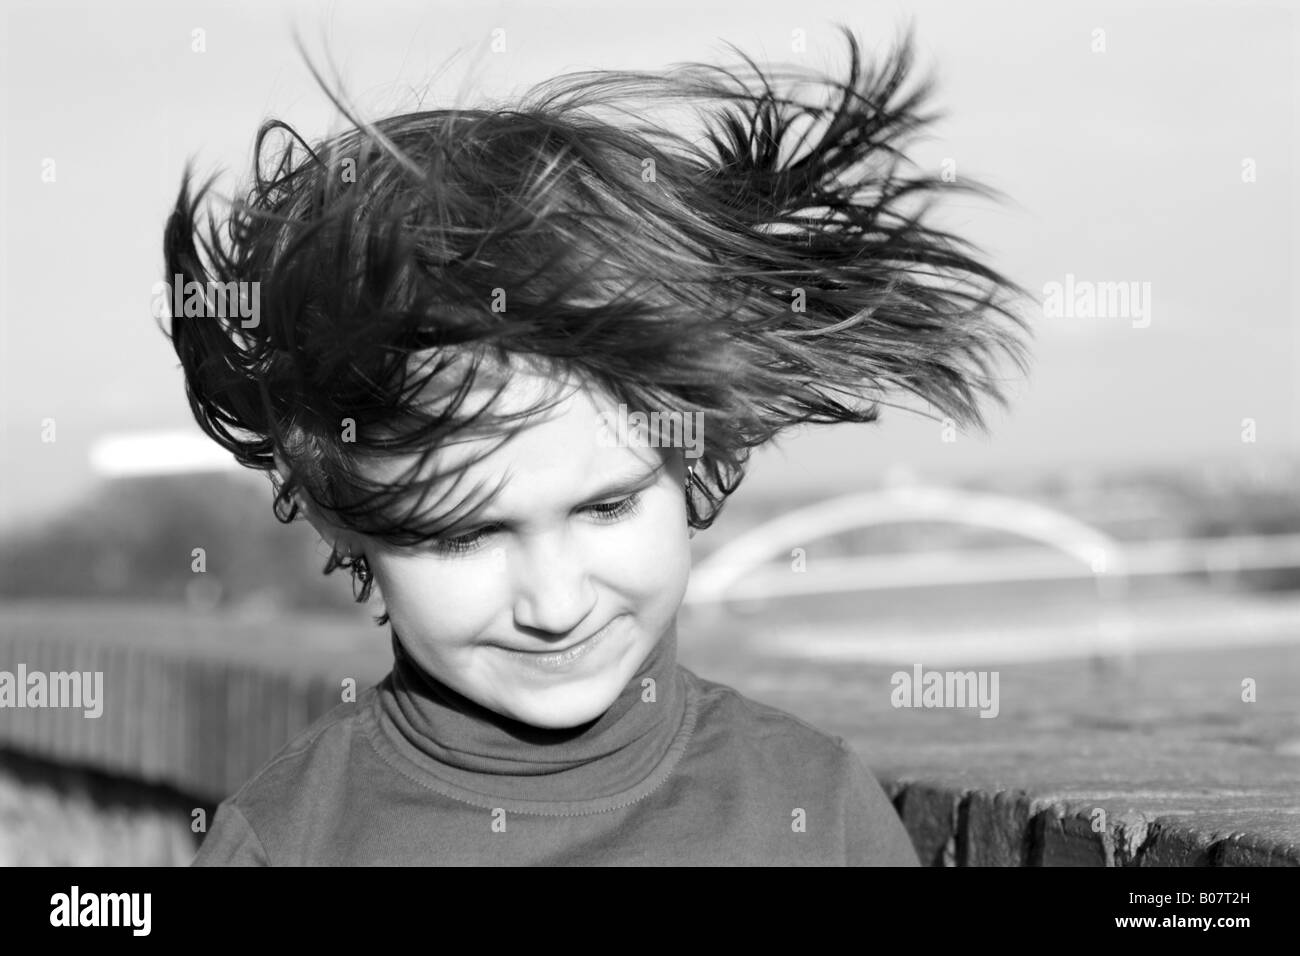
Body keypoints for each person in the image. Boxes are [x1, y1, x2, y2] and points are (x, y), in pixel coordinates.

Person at [164, 24, 1031, 865]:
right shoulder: (287, 844)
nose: (554, 605)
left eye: (607, 506)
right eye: (466, 534)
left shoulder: (818, 807)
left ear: (700, 451)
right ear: (338, 510)